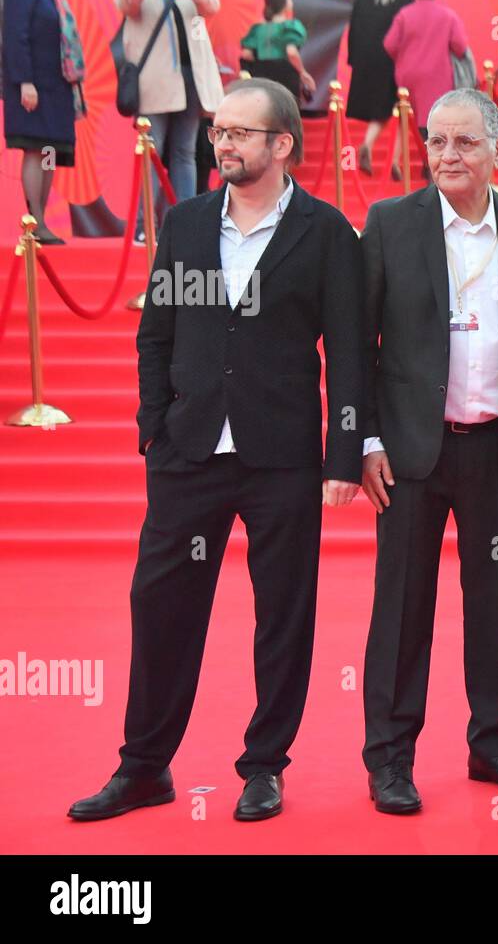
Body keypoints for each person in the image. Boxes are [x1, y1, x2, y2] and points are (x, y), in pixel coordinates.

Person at [67, 78, 365, 823]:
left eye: (239, 132)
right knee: (161, 605)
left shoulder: (326, 233)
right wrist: (154, 425)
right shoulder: (188, 224)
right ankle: (143, 768)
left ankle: (264, 765)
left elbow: (351, 353)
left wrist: (342, 455)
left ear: (281, 144)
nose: (221, 143)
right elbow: (157, 334)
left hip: (282, 456)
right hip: (190, 452)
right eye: (218, 131)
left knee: (283, 617)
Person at [359, 88, 498, 814]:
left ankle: (494, 743)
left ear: (497, 150)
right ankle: (389, 757)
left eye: (466, 142)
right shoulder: (388, 223)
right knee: (403, 607)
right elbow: (358, 344)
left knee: (497, 603)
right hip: (412, 454)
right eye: (438, 141)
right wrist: (365, 439)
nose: (449, 155)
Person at [114, 0, 224, 241]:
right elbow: (127, 4)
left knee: (185, 152)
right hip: (156, 84)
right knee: (152, 152)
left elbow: (212, 7)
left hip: (192, 81)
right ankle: (145, 225)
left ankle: (185, 223)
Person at [2, 0, 86, 245]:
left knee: (50, 150)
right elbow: (16, 35)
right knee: (35, 150)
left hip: (56, 88)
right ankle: (35, 220)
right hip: (33, 86)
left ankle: (42, 218)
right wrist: (24, 81)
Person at [383, 0, 467, 146]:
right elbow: (460, 46)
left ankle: (403, 158)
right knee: (436, 118)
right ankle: (431, 159)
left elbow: (390, 44)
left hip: (408, 74)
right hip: (438, 73)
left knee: (407, 115)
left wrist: (402, 58)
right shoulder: (448, 15)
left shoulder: (404, 14)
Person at [345, 0, 414, 176]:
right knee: (403, 108)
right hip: (395, 58)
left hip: (367, 56)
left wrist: (353, 58)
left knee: (383, 107)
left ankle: (368, 144)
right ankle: (394, 161)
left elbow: (354, 25)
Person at [240, 0, 315, 101]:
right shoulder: (290, 26)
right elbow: (291, 52)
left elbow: (246, 54)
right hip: (285, 75)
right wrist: (303, 73)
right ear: (284, 3)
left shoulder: (257, 29)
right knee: (286, 110)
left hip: (261, 75)